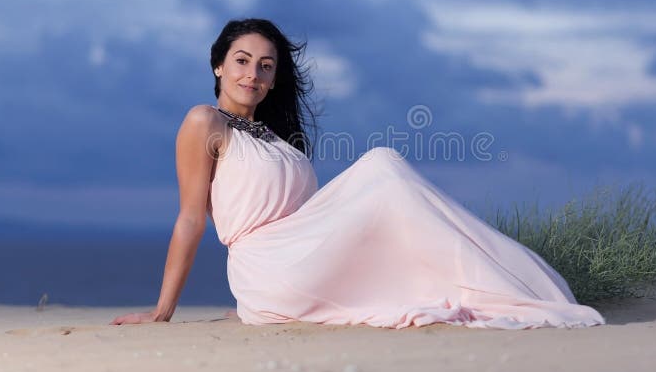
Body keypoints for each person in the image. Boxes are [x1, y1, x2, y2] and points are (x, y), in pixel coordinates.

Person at [111, 18, 605, 329]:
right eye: (242, 61)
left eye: (265, 66)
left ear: (274, 78)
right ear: (218, 66)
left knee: (383, 165)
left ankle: (516, 282)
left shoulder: (277, 139)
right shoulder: (205, 122)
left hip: (295, 259)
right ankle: (507, 284)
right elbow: (191, 218)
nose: (253, 74)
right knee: (382, 169)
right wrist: (163, 310)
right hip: (267, 266)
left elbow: (306, 216)